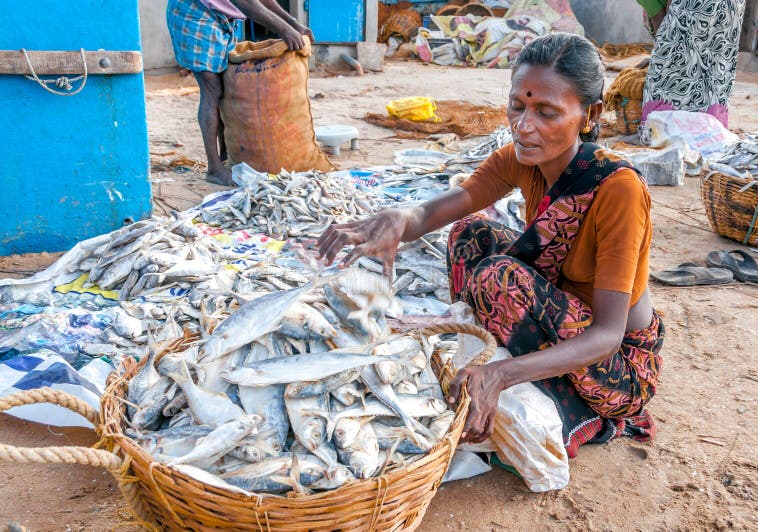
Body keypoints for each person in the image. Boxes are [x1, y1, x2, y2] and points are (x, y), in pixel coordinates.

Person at [317, 33, 665, 458]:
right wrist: (396, 219)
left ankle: (567, 405)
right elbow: (439, 210)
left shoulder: (618, 190)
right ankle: (490, 350)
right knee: (471, 233)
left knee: (499, 278)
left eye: (546, 112)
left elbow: (608, 336)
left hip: (618, 367)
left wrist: (501, 375)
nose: (523, 125)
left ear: (590, 114)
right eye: (517, 105)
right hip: (560, 316)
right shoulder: (521, 159)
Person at [166, 0, 314, 185]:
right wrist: (284, 29)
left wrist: (292, 23)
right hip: (195, 13)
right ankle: (214, 168)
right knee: (212, 89)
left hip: (222, 16)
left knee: (226, 85)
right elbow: (246, 3)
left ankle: (227, 156)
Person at [637, 0, 746, 128]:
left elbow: (657, 17)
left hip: (695, 6)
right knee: (716, 66)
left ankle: (664, 128)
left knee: (667, 79)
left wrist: (661, 55)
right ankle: (709, 127)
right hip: (731, 8)